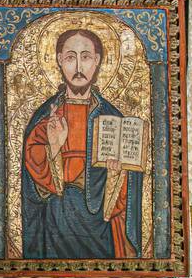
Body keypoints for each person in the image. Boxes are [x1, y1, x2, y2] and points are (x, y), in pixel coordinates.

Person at [20, 28, 142, 260]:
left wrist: (117, 175)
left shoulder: (112, 117)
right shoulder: (48, 116)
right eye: (70, 57)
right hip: (57, 219)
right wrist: (53, 147)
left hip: (99, 223)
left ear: (97, 61)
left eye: (85, 57)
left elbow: (129, 184)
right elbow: (32, 173)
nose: (78, 68)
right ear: (59, 60)